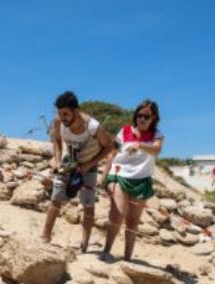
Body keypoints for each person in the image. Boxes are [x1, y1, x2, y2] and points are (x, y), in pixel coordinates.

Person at [41, 91, 114, 252]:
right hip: (69, 162)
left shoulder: (93, 126)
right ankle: (45, 237)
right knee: (56, 197)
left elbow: (110, 146)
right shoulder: (59, 121)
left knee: (88, 204)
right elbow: (57, 141)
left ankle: (84, 244)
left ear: (76, 110)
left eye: (66, 113)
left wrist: (90, 164)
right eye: (60, 114)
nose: (63, 117)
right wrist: (58, 161)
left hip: (89, 166)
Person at [101, 100, 165, 262]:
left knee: (133, 221)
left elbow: (156, 150)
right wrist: (103, 176)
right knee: (118, 214)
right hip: (119, 175)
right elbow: (112, 153)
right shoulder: (124, 131)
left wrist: (140, 144)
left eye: (146, 116)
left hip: (141, 180)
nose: (142, 119)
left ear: (154, 118)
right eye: (139, 115)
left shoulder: (157, 135)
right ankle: (106, 251)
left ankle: (127, 258)